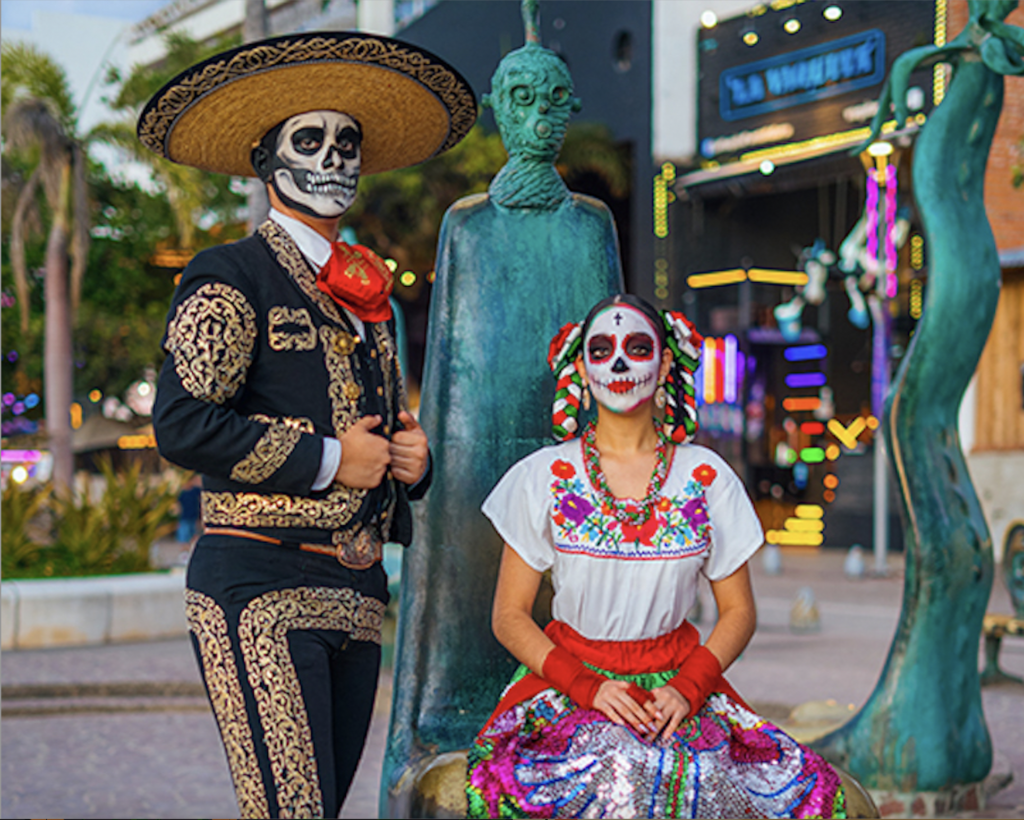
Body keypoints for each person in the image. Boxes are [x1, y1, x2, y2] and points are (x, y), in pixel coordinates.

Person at [139, 32, 475, 819]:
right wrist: (329, 459)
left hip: (357, 595)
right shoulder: (230, 274)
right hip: (260, 583)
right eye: (310, 140)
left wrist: (410, 462)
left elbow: (375, 436)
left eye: (347, 144)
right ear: (266, 162)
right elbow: (181, 423)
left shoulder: (368, 298)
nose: (333, 158)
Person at [466, 293, 847, 818]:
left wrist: (688, 689)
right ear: (582, 369)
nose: (620, 364)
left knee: (801, 790)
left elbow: (739, 612)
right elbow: (509, 616)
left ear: (666, 363)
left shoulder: (706, 477)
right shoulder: (543, 476)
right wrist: (588, 688)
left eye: (638, 348)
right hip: (571, 687)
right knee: (614, 776)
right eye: (602, 350)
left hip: (679, 689)